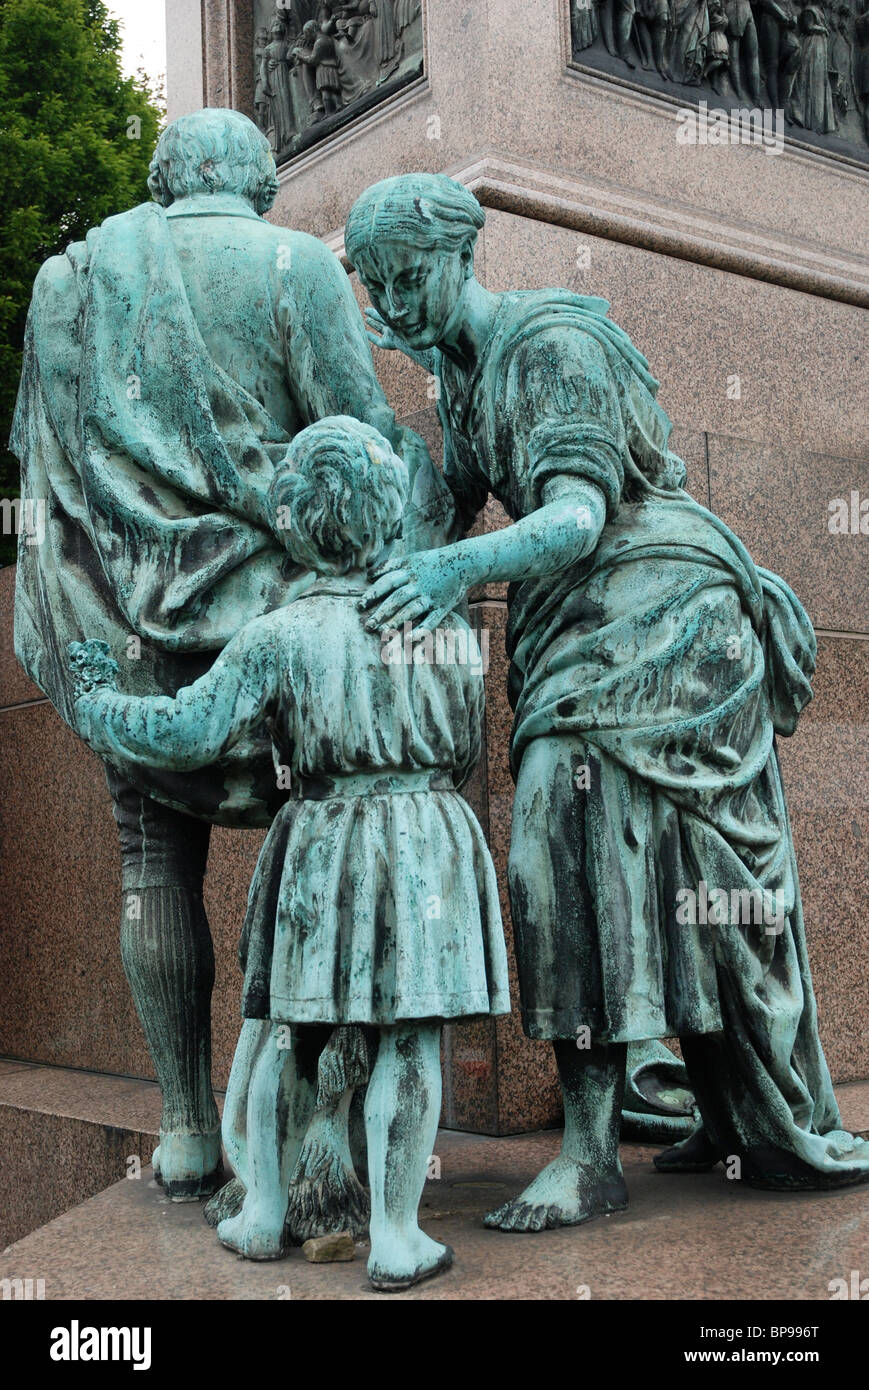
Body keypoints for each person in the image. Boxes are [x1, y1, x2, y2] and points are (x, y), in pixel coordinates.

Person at [343, 172, 869, 1232]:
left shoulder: (547, 345)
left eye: (408, 282)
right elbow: (447, 501)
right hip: (578, 631)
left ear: (458, 256)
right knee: (602, 860)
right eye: (376, 290)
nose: (394, 307)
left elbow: (575, 517)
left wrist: (447, 575)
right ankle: (710, 1115)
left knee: (562, 842)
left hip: (664, 617)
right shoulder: (457, 372)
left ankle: (596, 1150)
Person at [12, 110, 451, 1200]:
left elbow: (41, 484)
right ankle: (321, 1133)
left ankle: (185, 1127)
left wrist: (75, 634)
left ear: (164, 176)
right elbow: (357, 441)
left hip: (121, 628)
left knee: (150, 860)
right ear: (259, 178)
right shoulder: (296, 264)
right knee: (323, 860)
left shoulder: (68, 281)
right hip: (284, 619)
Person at [70, 417, 509, 1291]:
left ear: (294, 522)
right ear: (388, 515)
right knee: (409, 1041)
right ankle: (394, 1235)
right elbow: (465, 751)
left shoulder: (281, 633)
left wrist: (96, 702)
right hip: (424, 840)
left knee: (282, 1032)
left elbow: (188, 731)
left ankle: (263, 1212)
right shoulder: (445, 629)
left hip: (317, 839)